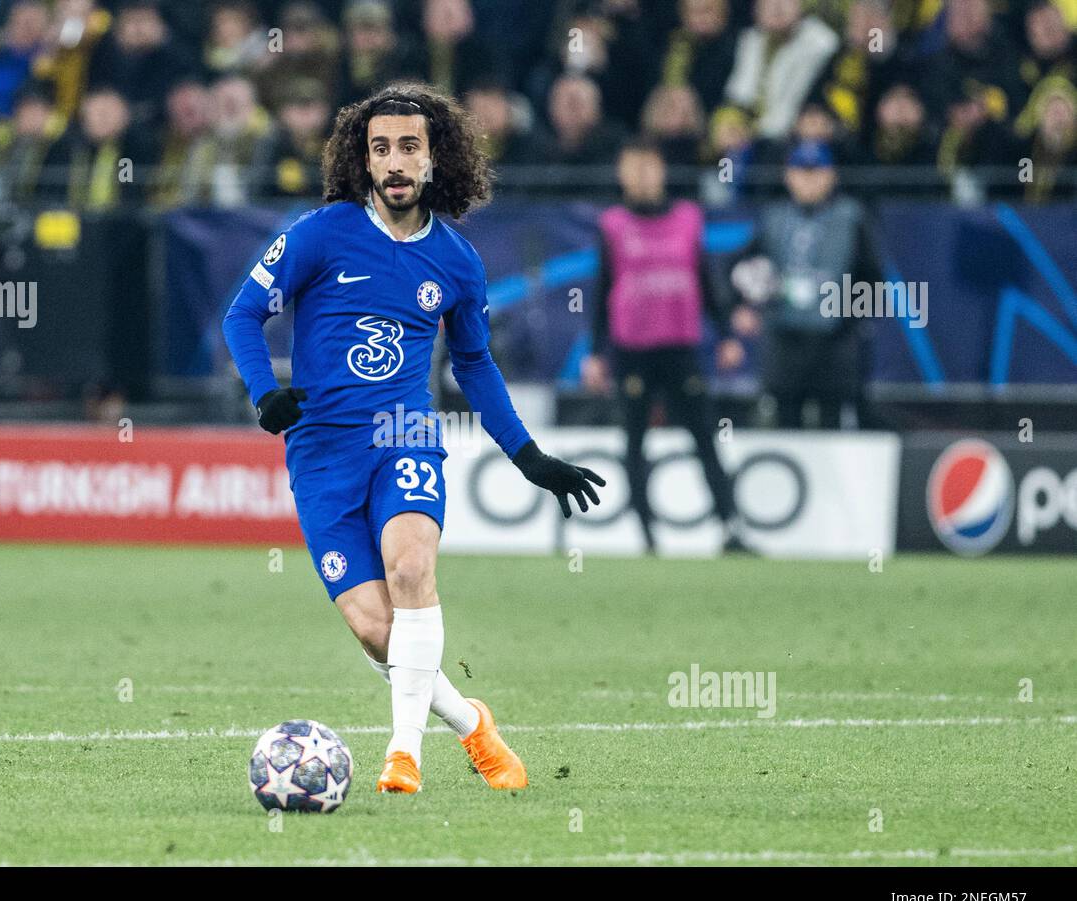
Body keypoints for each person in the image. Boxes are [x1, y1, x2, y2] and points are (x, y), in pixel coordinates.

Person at [221, 83, 605, 796]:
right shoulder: (320, 233)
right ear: (363, 162)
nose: (395, 162)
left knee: (410, 572)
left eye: (408, 147)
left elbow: (475, 364)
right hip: (320, 453)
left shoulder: (456, 261)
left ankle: (404, 754)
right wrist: (265, 392)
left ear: (435, 158)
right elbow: (243, 316)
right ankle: (471, 724)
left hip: (406, 435)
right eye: (380, 149)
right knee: (376, 630)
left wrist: (528, 455)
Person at [582, 139, 746, 553]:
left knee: (705, 438)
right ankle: (647, 535)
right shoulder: (613, 225)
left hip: (680, 349)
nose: (640, 176)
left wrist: (725, 333)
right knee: (635, 442)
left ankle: (730, 528)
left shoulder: (689, 219)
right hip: (632, 350)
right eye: (632, 168)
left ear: (661, 171)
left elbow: (706, 281)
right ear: (621, 175)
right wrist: (596, 353)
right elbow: (602, 290)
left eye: (648, 166)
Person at [728, 140, 881, 429]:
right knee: (785, 420)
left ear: (831, 175)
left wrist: (847, 321)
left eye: (817, 171)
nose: (809, 179)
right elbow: (739, 266)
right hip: (785, 340)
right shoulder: (773, 217)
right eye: (802, 171)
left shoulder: (852, 217)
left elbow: (873, 278)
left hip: (833, 344)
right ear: (788, 175)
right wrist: (743, 305)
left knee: (831, 422)